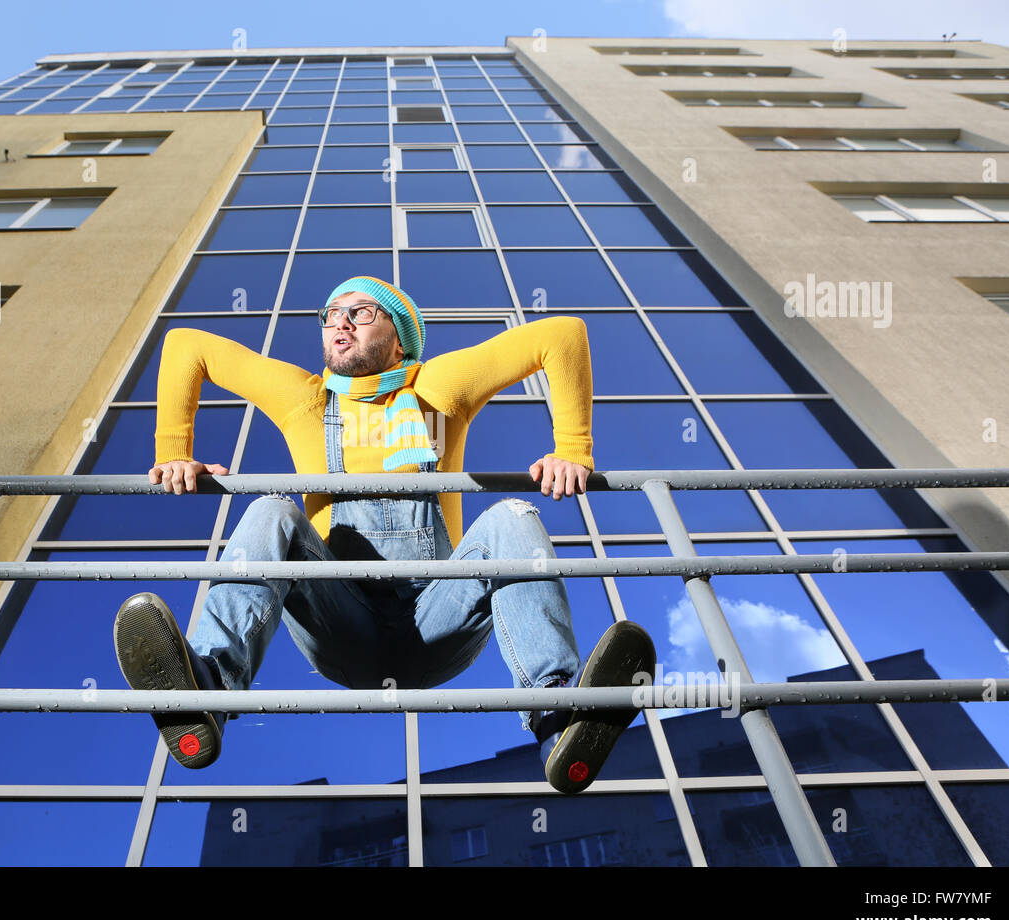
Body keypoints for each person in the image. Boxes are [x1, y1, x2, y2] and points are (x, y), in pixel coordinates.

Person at [113, 276, 656, 794]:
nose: (340, 324)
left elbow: (560, 336)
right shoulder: (306, 398)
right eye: (331, 315)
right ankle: (206, 693)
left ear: (399, 338)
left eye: (361, 313)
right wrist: (174, 453)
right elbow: (188, 346)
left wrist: (572, 450)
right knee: (271, 510)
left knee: (513, 515)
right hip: (342, 623)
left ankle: (560, 717)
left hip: (436, 618)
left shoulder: (438, 390)